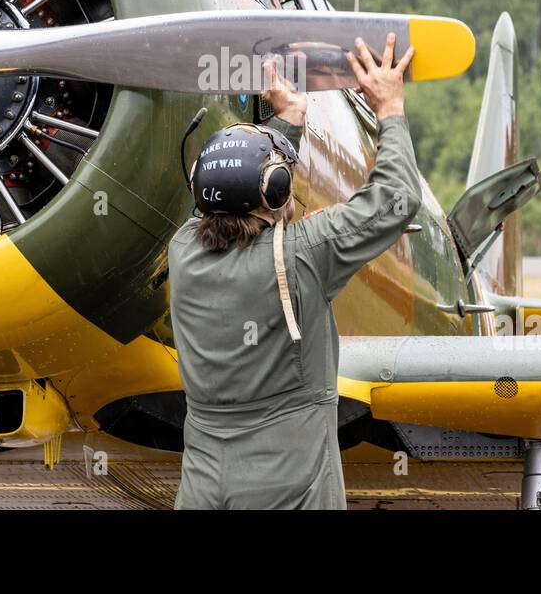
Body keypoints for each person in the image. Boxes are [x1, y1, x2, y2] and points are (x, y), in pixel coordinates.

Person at [168, 32, 422, 509]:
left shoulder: (183, 249)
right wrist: (389, 108)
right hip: (290, 492)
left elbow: (219, 195)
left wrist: (289, 121)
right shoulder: (302, 255)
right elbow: (396, 199)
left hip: (201, 491)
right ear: (278, 186)